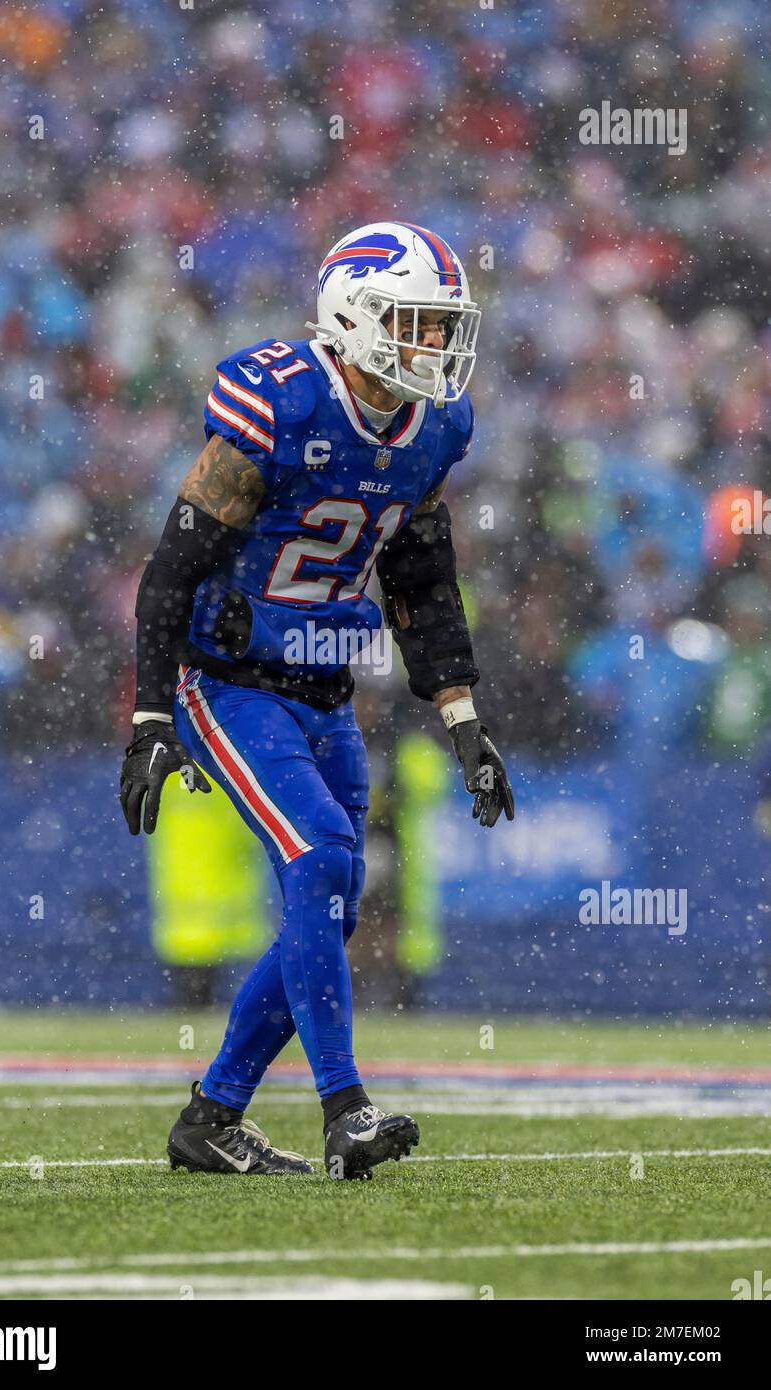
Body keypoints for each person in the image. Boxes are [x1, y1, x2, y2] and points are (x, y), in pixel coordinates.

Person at [119, 222, 515, 1180]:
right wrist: (148, 717)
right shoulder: (281, 399)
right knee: (326, 852)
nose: (435, 345)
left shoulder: (433, 430)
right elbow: (174, 567)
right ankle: (346, 1108)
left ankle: (213, 1116)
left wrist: (464, 718)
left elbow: (420, 578)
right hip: (229, 678)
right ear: (357, 315)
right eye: (417, 323)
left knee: (329, 909)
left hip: (326, 687)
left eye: (442, 325)